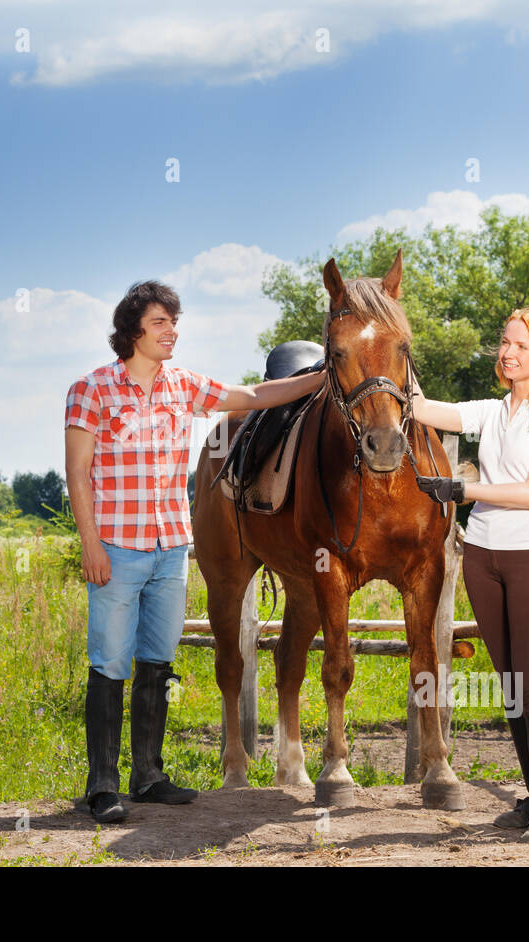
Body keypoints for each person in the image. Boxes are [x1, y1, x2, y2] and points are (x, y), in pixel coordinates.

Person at [64, 280, 324, 824]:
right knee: (109, 663)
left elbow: (252, 397)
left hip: (170, 548)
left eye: (174, 324)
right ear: (133, 330)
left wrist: (325, 377)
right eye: (161, 323)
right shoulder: (91, 390)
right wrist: (91, 543)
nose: (172, 333)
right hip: (116, 545)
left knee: (158, 662)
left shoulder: (184, 385)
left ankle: (149, 776)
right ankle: (103, 786)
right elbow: (78, 474)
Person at [410, 307, 529, 841]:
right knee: (511, 684)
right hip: (483, 558)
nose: (507, 353)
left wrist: (463, 491)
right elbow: (422, 409)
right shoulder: (492, 411)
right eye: (504, 344)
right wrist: (392, 362)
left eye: (520, 345)